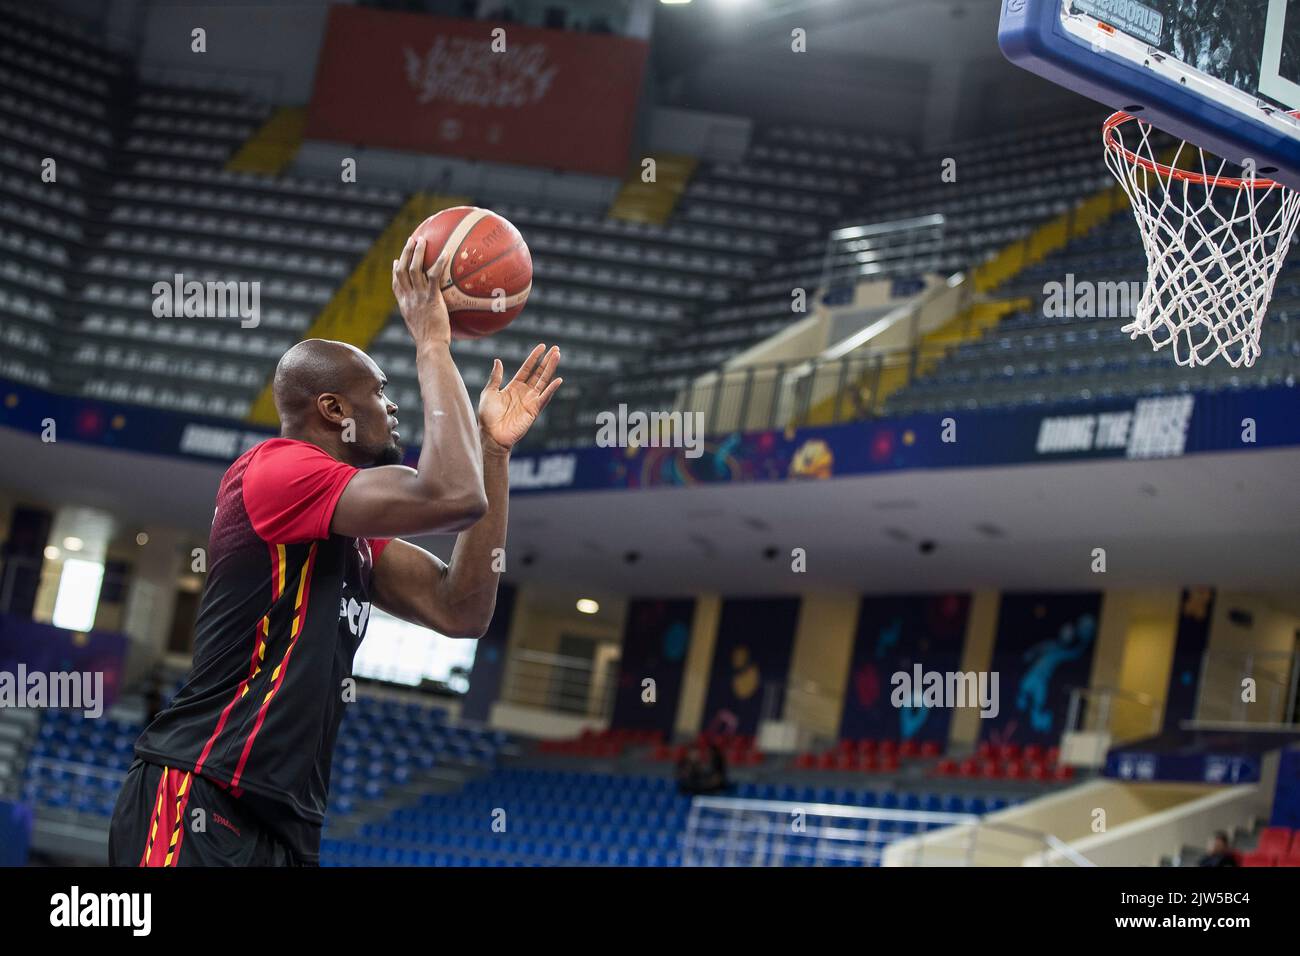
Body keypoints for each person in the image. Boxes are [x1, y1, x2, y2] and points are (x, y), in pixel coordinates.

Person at [108, 235, 562, 866]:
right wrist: (432, 341)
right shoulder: (274, 471)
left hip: (288, 816)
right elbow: (453, 494)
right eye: (380, 391)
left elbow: (462, 610)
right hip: (200, 787)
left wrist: (493, 451)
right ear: (332, 409)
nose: (395, 403)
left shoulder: (350, 535)